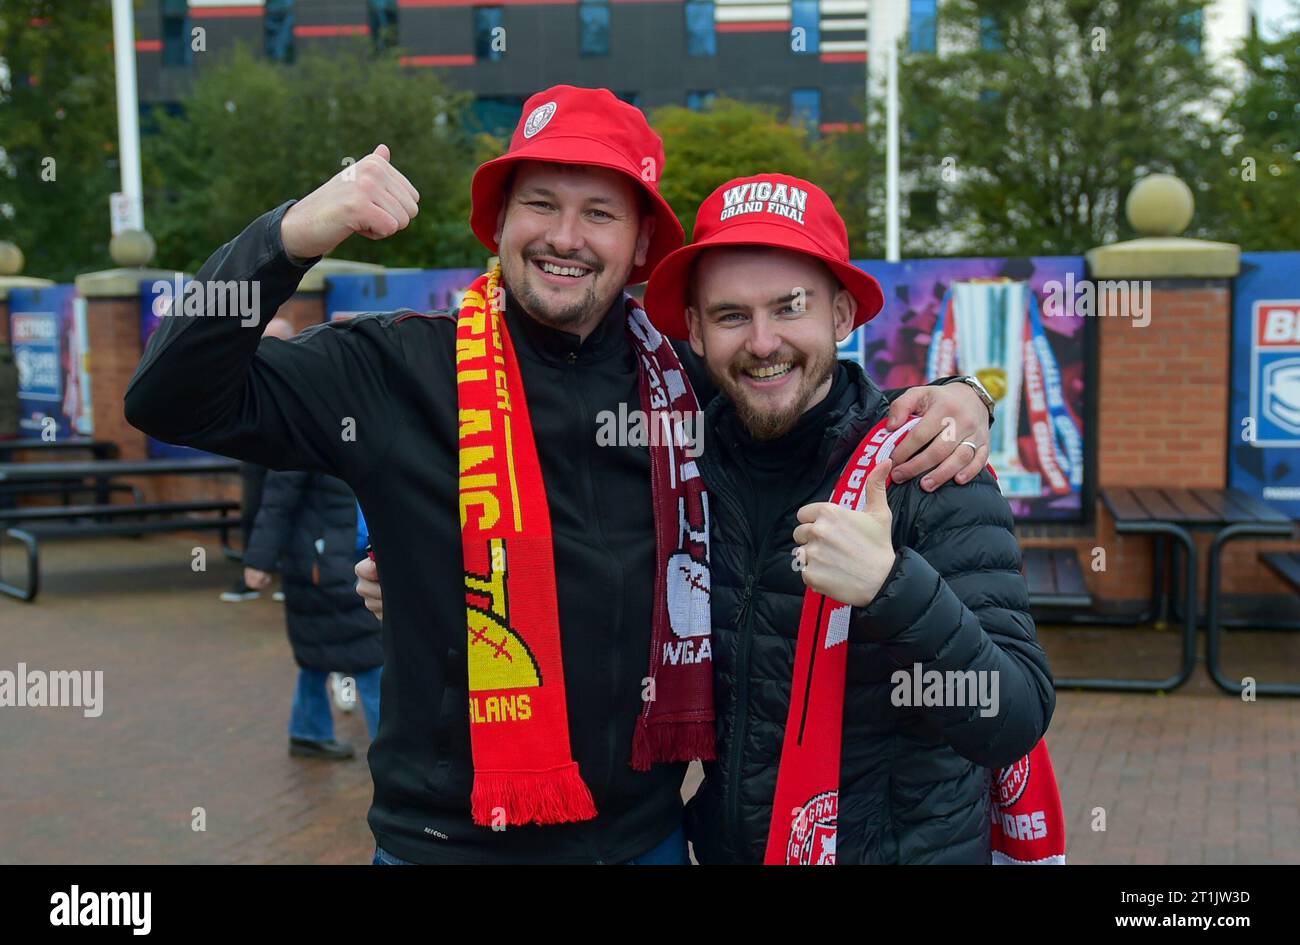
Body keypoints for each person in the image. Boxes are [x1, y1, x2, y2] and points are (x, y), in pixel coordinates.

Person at [126, 85, 991, 865]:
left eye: (599, 212)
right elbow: (168, 397)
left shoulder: (685, 383)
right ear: (499, 221)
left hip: (644, 839)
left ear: (641, 242)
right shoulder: (395, 368)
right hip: (445, 847)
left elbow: (808, 397)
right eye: (540, 203)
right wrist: (286, 238)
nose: (566, 236)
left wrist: (960, 396)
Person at [646, 174, 1056, 864]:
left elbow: (1013, 715)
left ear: (841, 316)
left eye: (790, 308)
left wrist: (892, 587)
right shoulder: (681, 467)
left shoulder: (924, 465)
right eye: (731, 315)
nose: (763, 341)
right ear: (695, 331)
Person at [244, 469, 383, 756]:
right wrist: (259, 560)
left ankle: (308, 731)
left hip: (336, 560)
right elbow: (277, 503)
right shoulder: (301, 443)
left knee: (318, 652)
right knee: (370, 657)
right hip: (324, 566)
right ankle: (392, 748)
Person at [221, 317, 296, 603]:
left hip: (288, 453)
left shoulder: (298, 371)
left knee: (287, 509)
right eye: (264, 340)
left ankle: (289, 577)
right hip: (254, 453)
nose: (267, 346)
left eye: (275, 340)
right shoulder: (247, 369)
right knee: (253, 509)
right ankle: (251, 574)